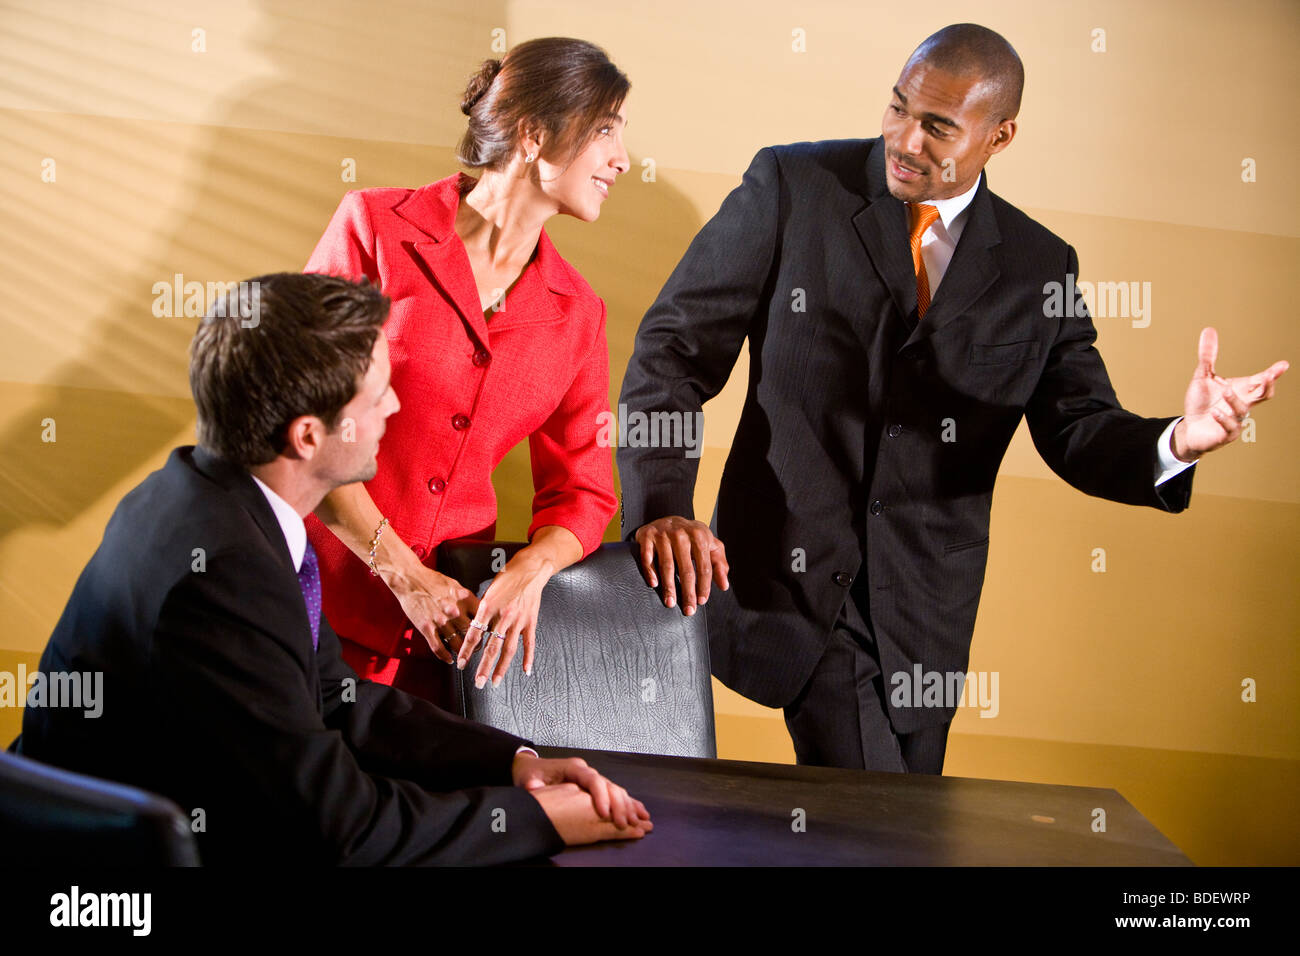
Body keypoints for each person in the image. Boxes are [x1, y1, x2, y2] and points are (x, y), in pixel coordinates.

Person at [617, 24, 1287, 774]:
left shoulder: (1040, 266)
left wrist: (1179, 441)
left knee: (901, 826)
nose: (905, 139)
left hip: (925, 622)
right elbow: (673, 350)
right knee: (878, 826)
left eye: (937, 127)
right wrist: (663, 505)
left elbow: (1078, 429)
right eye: (898, 108)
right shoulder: (793, 187)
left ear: (1000, 135)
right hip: (794, 582)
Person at [19, 272, 651, 864]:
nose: (396, 407)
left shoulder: (204, 494)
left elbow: (333, 696)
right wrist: (534, 821)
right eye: (377, 393)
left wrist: (511, 764)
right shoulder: (226, 573)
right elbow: (340, 828)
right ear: (307, 437)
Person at [304, 37, 629, 700]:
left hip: (451, 642)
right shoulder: (373, 228)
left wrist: (530, 571)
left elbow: (584, 493)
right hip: (311, 610)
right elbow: (299, 416)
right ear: (534, 135)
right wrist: (401, 574)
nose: (621, 160)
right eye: (603, 132)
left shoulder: (579, 313)